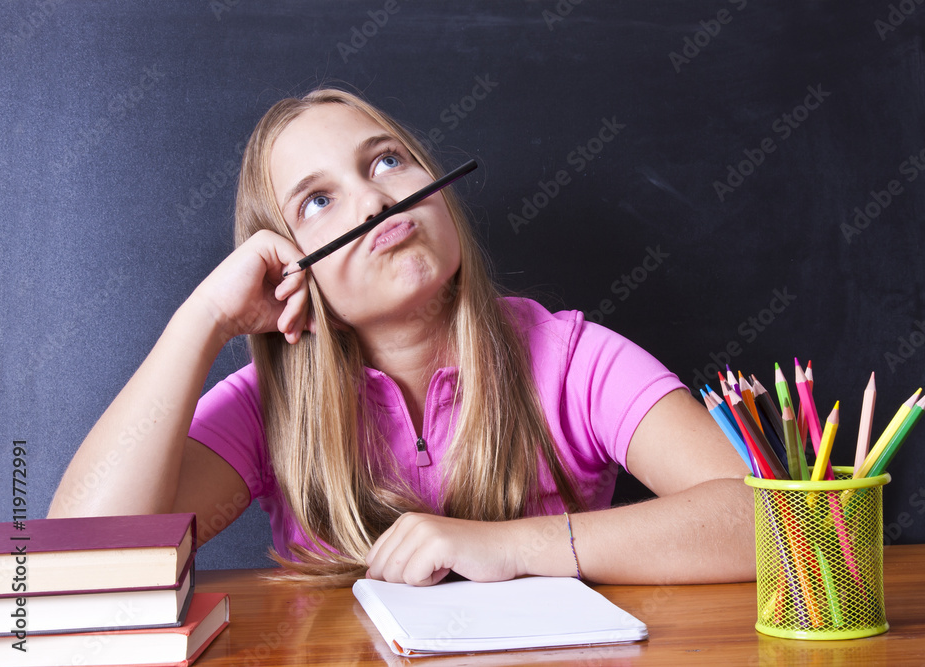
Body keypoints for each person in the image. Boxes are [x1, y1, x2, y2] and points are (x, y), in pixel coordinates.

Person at [49, 89, 754, 587]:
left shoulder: (570, 358)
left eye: (386, 160)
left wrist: (509, 546)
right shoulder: (273, 408)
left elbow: (775, 524)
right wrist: (204, 318)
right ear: (285, 263)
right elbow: (79, 559)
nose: (377, 199)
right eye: (318, 201)